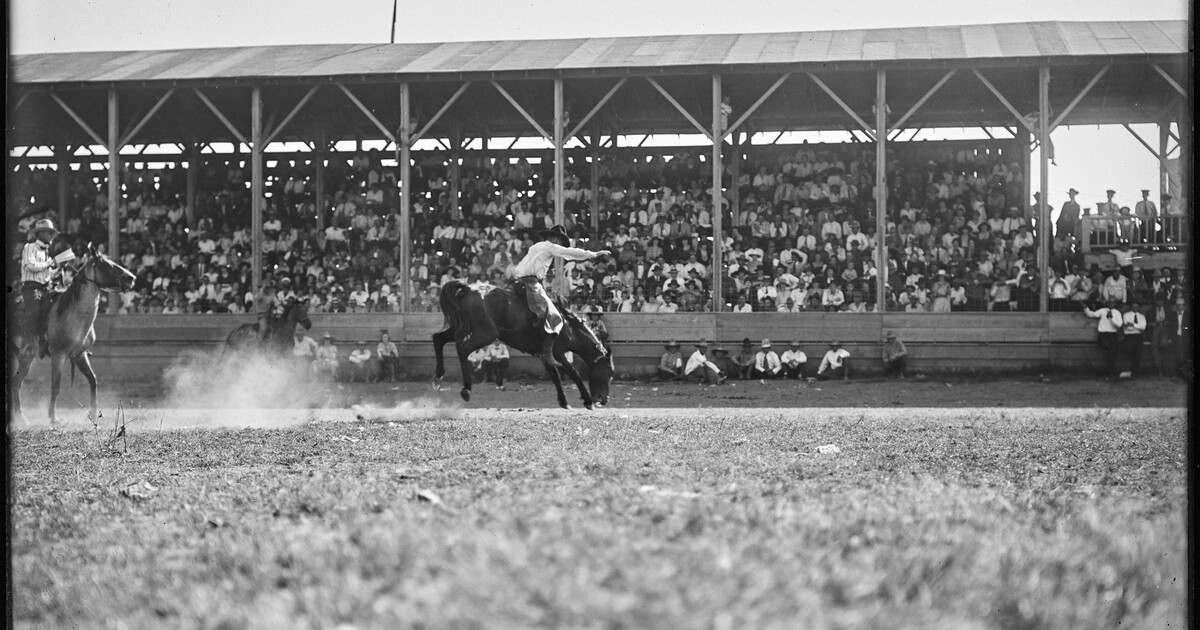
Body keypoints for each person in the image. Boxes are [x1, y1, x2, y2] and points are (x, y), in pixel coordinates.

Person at [510, 224, 609, 366]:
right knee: (554, 317)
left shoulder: (536, 246)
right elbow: (570, 252)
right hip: (531, 284)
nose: (561, 243)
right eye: (561, 241)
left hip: (517, 282)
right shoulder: (551, 246)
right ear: (556, 238)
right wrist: (594, 254)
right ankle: (547, 352)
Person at [15, 218, 62, 356]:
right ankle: (28, 343)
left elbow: (46, 274)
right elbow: (31, 267)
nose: (52, 235)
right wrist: (48, 264)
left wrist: (58, 270)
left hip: (46, 288)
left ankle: (49, 340)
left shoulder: (46, 252)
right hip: (32, 289)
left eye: (52, 233)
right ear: (40, 234)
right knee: (34, 311)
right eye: (49, 233)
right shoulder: (29, 248)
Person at [1083, 297, 1124, 379]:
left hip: (1113, 334)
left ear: (1115, 304)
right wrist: (1085, 308)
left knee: (1113, 353)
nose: (1110, 304)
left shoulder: (1117, 313)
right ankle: (1107, 371)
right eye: (1109, 302)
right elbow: (1092, 314)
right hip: (1103, 334)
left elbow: (1119, 325)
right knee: (1107, 347)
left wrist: (1112, 318)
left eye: (1112, 302)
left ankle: (1110, 372)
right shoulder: (1103, 310)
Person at [1121, 299, 1147, 377]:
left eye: (1136, 306)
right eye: (1133, 306)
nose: (1135, 308)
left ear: (1138, 307)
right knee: (1129, 352)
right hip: (1129, 336)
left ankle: (1135, 372)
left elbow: (1143, 327)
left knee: (1138, 354)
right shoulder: (1126, 315)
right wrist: (1137, 326)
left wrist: (1133, 324)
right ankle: (1129, 371)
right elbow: (1127, 327)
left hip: (1138, 336)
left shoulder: (1142, 316)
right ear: (1131, 307)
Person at [252, 277, 277, 341]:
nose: (268, 289)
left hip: (271, 315)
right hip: (262, 315)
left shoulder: (270, 295)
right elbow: (256, 299)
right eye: (267, 287)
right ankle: (259, 341)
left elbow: (276, 302)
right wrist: (262, 290)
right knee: (264, 328)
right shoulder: (260, 294)